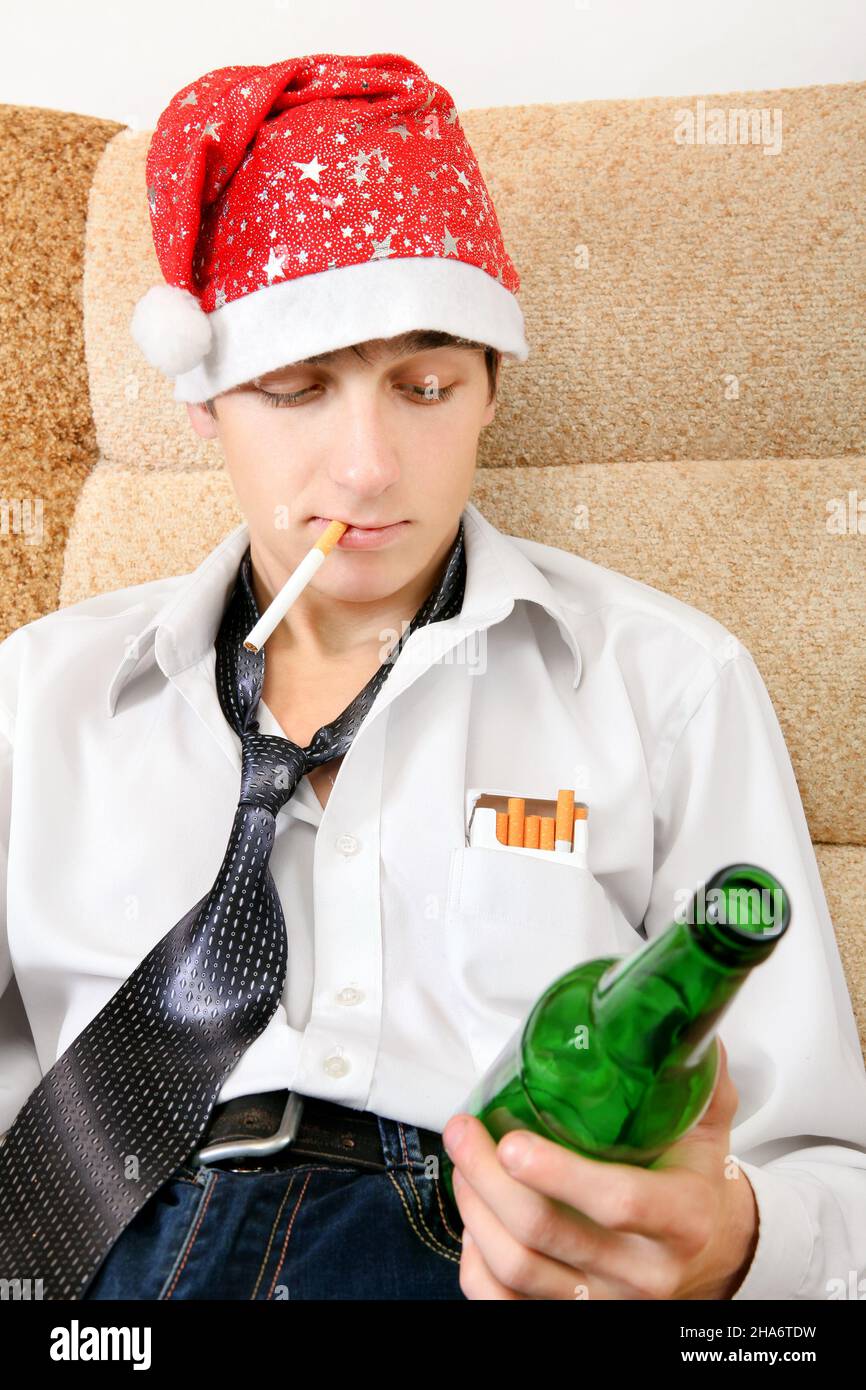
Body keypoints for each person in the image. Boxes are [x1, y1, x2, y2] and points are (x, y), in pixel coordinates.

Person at [1, 50, 865, 1303]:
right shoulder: (39, 699)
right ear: (202, 406)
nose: (364, 468)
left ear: (491, 391)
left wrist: (727, 1245)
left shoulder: (663, 683)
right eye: (294, 389)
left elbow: (824, 1177)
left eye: (423, 385)